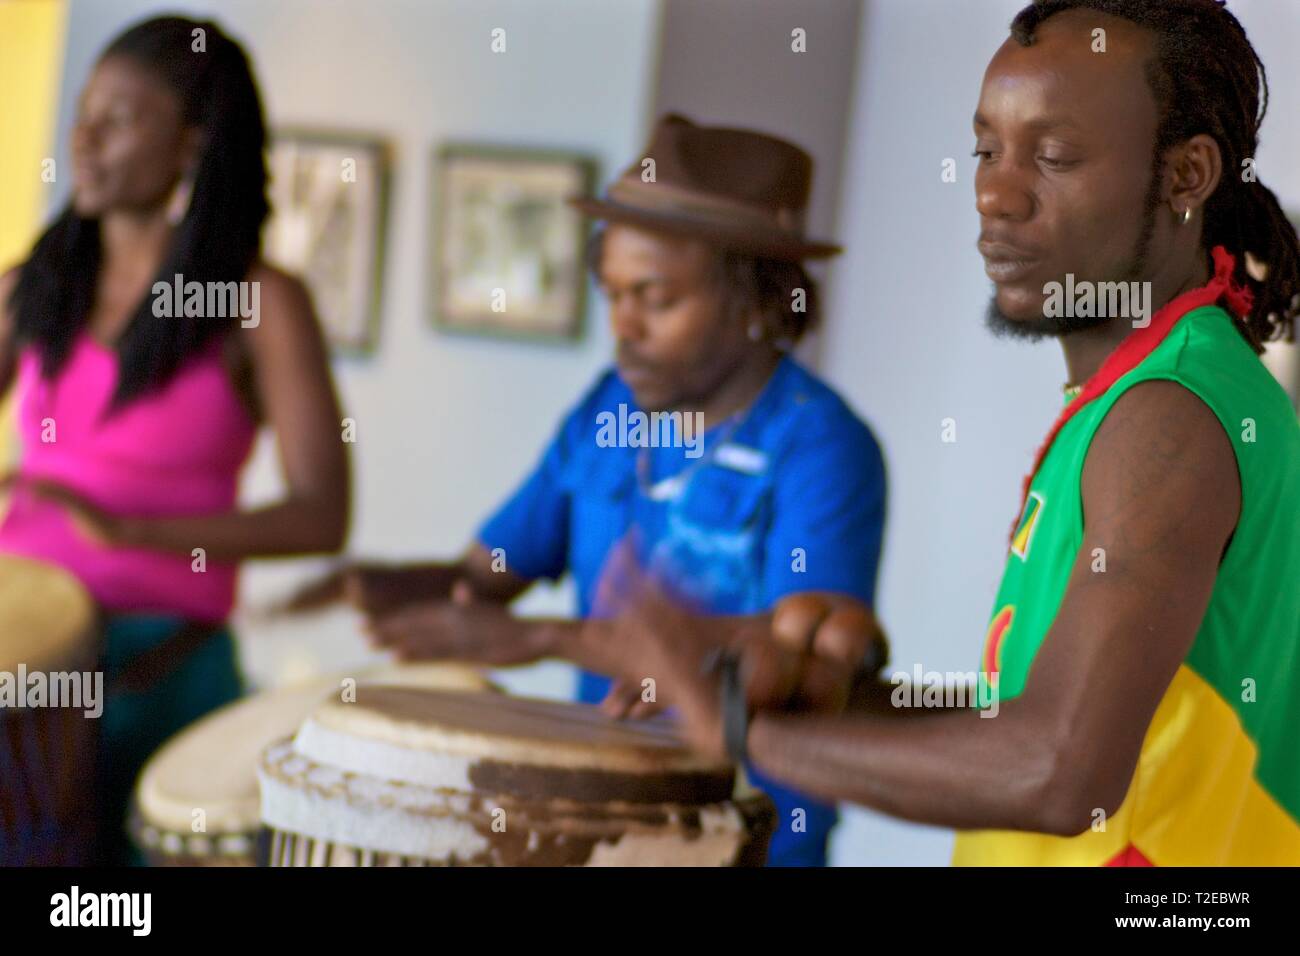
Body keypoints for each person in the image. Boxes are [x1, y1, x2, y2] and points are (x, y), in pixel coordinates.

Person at [587, 0, 1300, 866]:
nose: (995, 194)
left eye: (1056, 155)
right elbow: (1037, 717)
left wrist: (736, 732)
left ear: (1187, 175)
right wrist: (829, 703)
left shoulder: (1168, 416)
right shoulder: (1155, 392)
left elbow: (1060, 771)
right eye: (986, 150)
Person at [293, 115, 889, 867]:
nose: (624, 326)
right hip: (601, 820)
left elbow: (806, 661)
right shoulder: (607, 409)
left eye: (655, 298)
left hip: (750, 829)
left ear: (756, 302)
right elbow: (494, 573)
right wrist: (394, 581)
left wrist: (546, 639)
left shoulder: (822, 447)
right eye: (611, 294)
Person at [0, 16, 349, 864]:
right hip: (26, 662)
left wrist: (133, 534)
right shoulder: (30, 288)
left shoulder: (260, 305)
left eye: (118, 119)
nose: (83, 139)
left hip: (164, 670)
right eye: (84, 113)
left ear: (190, 145)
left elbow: (320, 514)